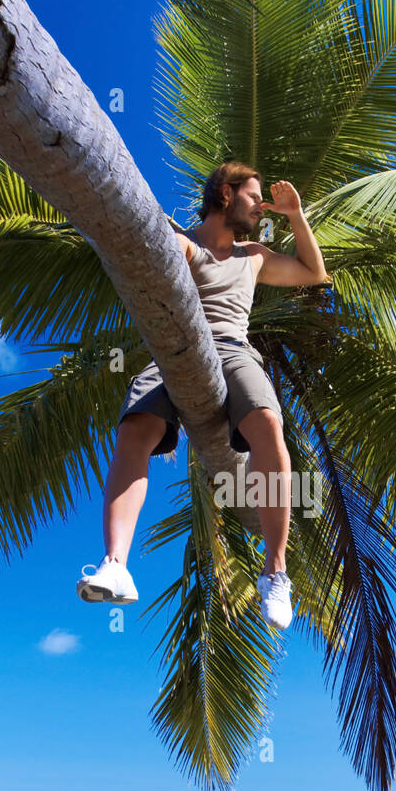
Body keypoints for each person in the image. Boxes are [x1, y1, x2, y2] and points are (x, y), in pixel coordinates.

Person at [77, 162, 327, 630]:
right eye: (255, 197)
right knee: (135, 430)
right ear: (226, 195)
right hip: (173, 348)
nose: (261, 207)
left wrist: (295, 215)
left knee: (270, 427)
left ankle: (275, 572)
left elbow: (314, 273)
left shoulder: (254, 255)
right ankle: (115, 563)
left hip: (234, 350)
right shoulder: (184, 243)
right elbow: (138, 252)